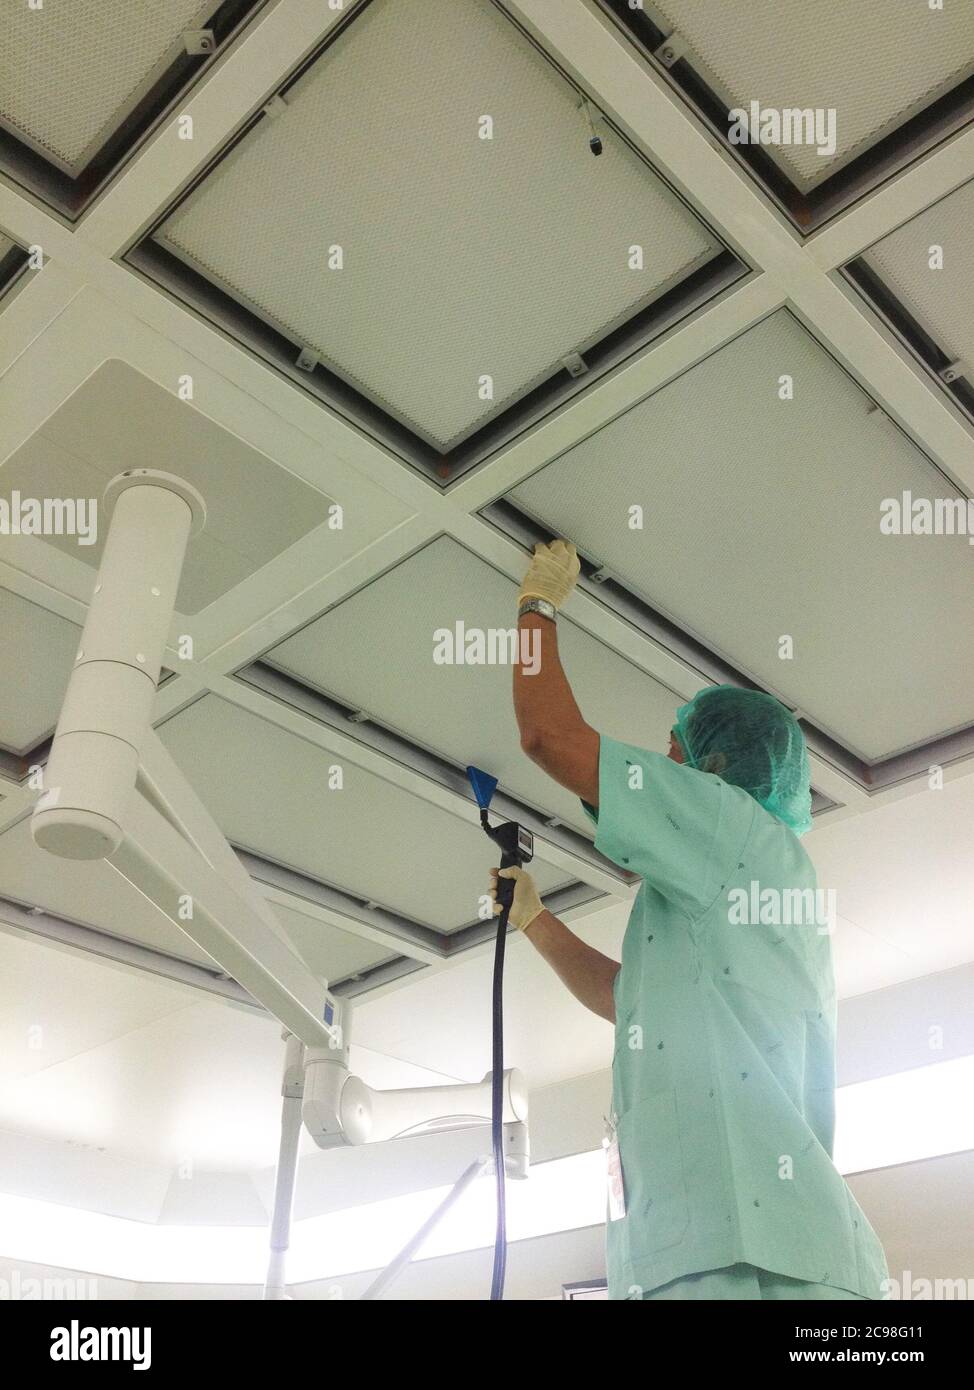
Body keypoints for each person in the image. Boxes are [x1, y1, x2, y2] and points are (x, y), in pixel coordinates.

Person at [489, 539, 889, 1301]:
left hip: (742, 1253)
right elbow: (627, 1000)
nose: (662, 768)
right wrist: (536, 920)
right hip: (769, 1255)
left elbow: (549, 737)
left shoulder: (728, 826)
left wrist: (536, 607)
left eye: (675, 753)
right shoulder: (732, 888)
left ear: (716, 770)